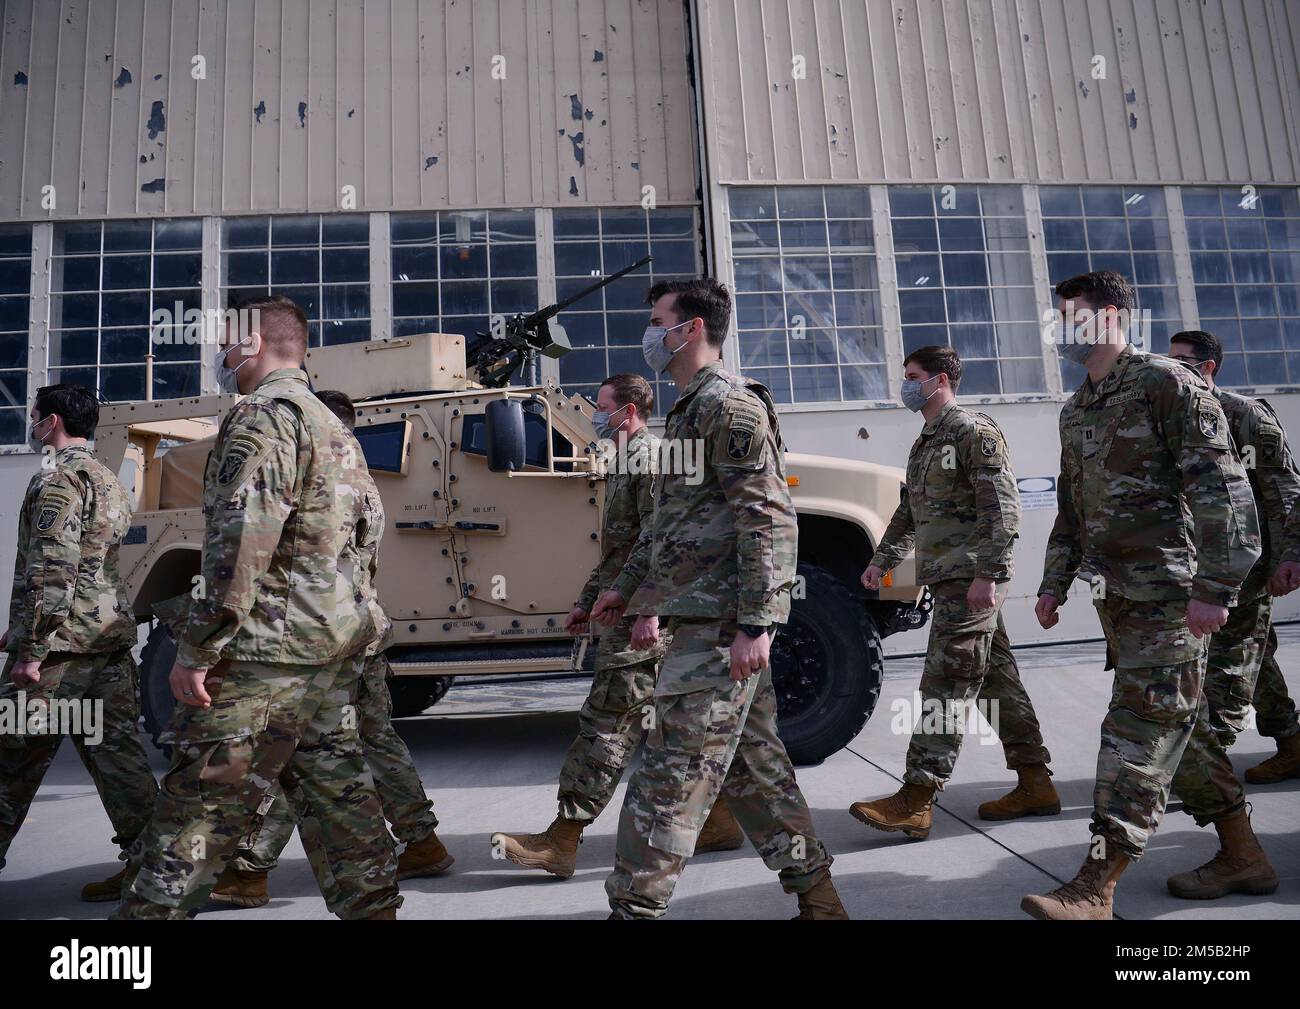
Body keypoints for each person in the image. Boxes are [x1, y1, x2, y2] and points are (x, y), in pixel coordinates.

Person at [113, 296, 401, 919]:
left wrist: (198, 648)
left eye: (222, 338)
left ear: (251, 344)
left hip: (267, 651)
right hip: (328, 647)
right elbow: (367, 533)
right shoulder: (331, 424)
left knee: (199, 806)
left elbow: (240, 543)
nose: (216, 351)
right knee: (339, 797)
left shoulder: (261, 418)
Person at [590, 278, 847, 920]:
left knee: (667, 778)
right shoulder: (685, 410)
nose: (649, 333)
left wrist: (758, 623)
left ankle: (634, 909)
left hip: (721, 628)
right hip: (701, 621)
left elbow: (768, 518)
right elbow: (670, 522)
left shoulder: (729, 408)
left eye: (658, 320)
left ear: (692, 328)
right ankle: (819, 898)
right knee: (756, 772)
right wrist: (625, 589)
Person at [1023, 272, 1262, 920]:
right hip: (1119, 603)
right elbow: (1073, 509)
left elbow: (1224, 492)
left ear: (1107, 317)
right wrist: (1053, 582)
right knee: (1178, 731)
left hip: (1172, 599)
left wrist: (1215, 588)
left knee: (1132, 736)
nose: (1058, 328)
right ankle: (1244, 853)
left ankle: (1094, 885)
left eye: (1068, 316)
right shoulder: (1078, 407)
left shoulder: (1167, 384)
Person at [208, 388, 453, 909]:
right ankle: (418, 841)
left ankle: (251, 867)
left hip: (320, 637)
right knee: (357, 742)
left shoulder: (327, 485)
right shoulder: (360, 484)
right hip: (354, 632)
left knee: (296, 749)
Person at [492, 374, 743, 878]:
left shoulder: (648, 459)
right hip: (623, 609)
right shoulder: (625, 460)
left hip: (638, 619)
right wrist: (587, 601)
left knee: (606, 724)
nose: (593, 416)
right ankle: (717, 821)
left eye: (601, 407)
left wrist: (647, 608)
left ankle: (562, 840)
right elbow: (618, 549)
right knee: (670, 726)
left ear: (627, 411)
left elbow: (662, 541)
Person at [855, 345, 1057, 839]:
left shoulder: (972, 431)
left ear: (940, 379)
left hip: (972, 579)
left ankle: (917, 797)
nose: (905, 384)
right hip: (951, 578)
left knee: (945, 682)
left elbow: (1003, 509)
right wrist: (882, 560)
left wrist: (989, 574)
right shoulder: (926, 440)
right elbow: (909, 510)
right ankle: (1036, 782)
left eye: (913, 376)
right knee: (995, 682)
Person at [0, 384, 158, 901]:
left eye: (35, 417)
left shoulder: (58, 479)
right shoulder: (107, 479)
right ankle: (156, 877)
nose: (32, 425)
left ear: (51, 423)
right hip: (105, 647)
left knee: (10, 762)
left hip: (59, 658)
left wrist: (30, 649)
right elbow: (92, 568)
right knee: (121, 764)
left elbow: (52, 569)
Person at [1159, 331, 1293, 893]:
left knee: (1229, 679)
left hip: (1247, 571)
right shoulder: (1173, 413)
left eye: (1184, 363)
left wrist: (1290, 555)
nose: (1173, 370)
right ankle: (1291, 741)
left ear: (1209, 366)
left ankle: (1207, 786)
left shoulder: (1244, 416)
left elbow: (1280, 488)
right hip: (1197, 571)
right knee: (1257, 661)